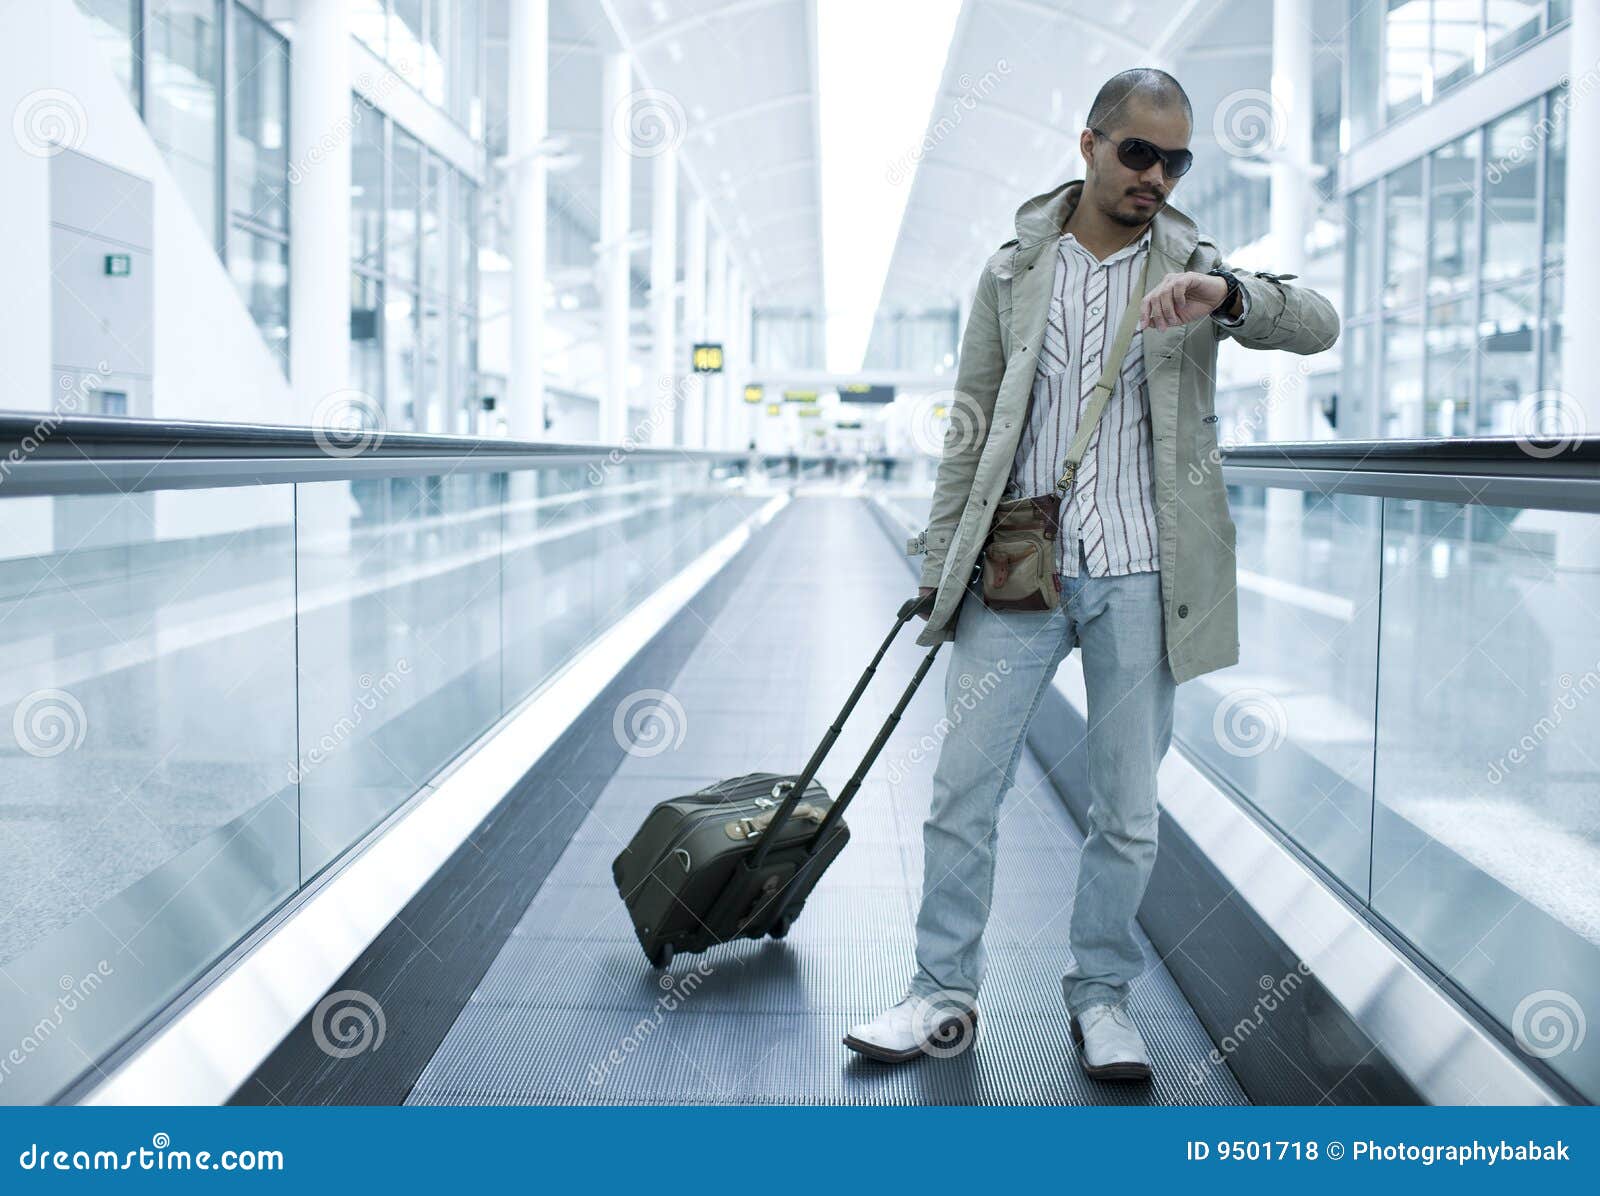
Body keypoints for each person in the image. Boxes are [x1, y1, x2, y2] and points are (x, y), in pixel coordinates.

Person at [844, 68, 1338, 1080]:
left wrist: (1230, 296)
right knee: (961, 789)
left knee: (1127, 810)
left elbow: (1317, 322)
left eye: (1175, 160)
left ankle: (1100, 995)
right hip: (1019, 575)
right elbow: (971, 424)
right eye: (1137, 153)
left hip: (1144, 575)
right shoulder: (1013, 269)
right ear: (1090, 145)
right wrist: (942, 567)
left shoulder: (1194, 265)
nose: (1155, 175)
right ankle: (943, 991)